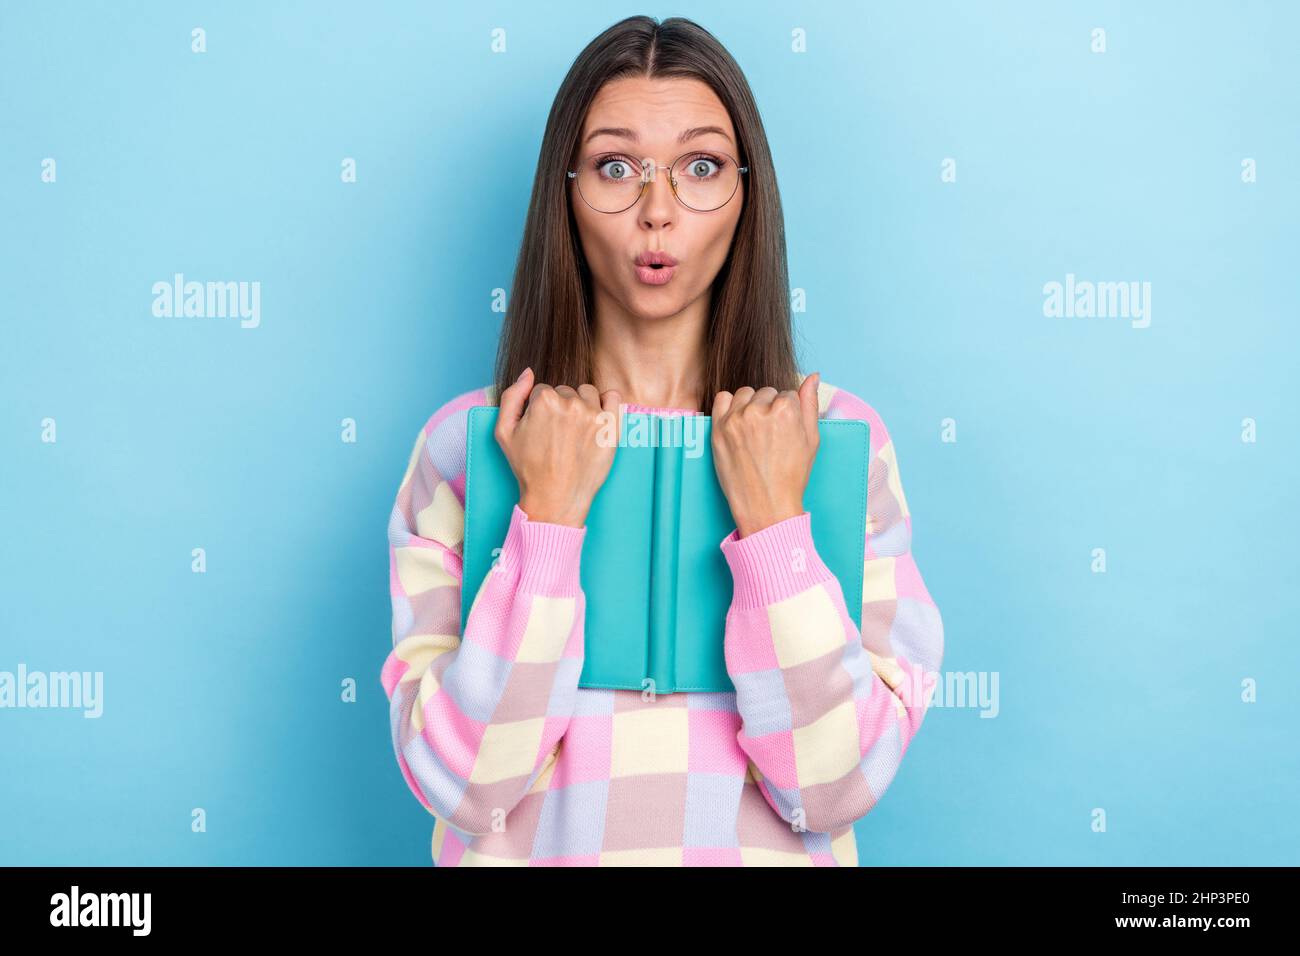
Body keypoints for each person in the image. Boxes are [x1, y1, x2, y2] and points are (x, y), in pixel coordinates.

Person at [379, 14, 944, 866]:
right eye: (616, 167)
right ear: (564, 191)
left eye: (701, 167)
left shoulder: (836, 444)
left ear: (747, 193)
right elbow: (464, 789)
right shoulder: (468, 448)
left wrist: (777, 531)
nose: (657, 211)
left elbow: (834, 788)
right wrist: (549, 523)